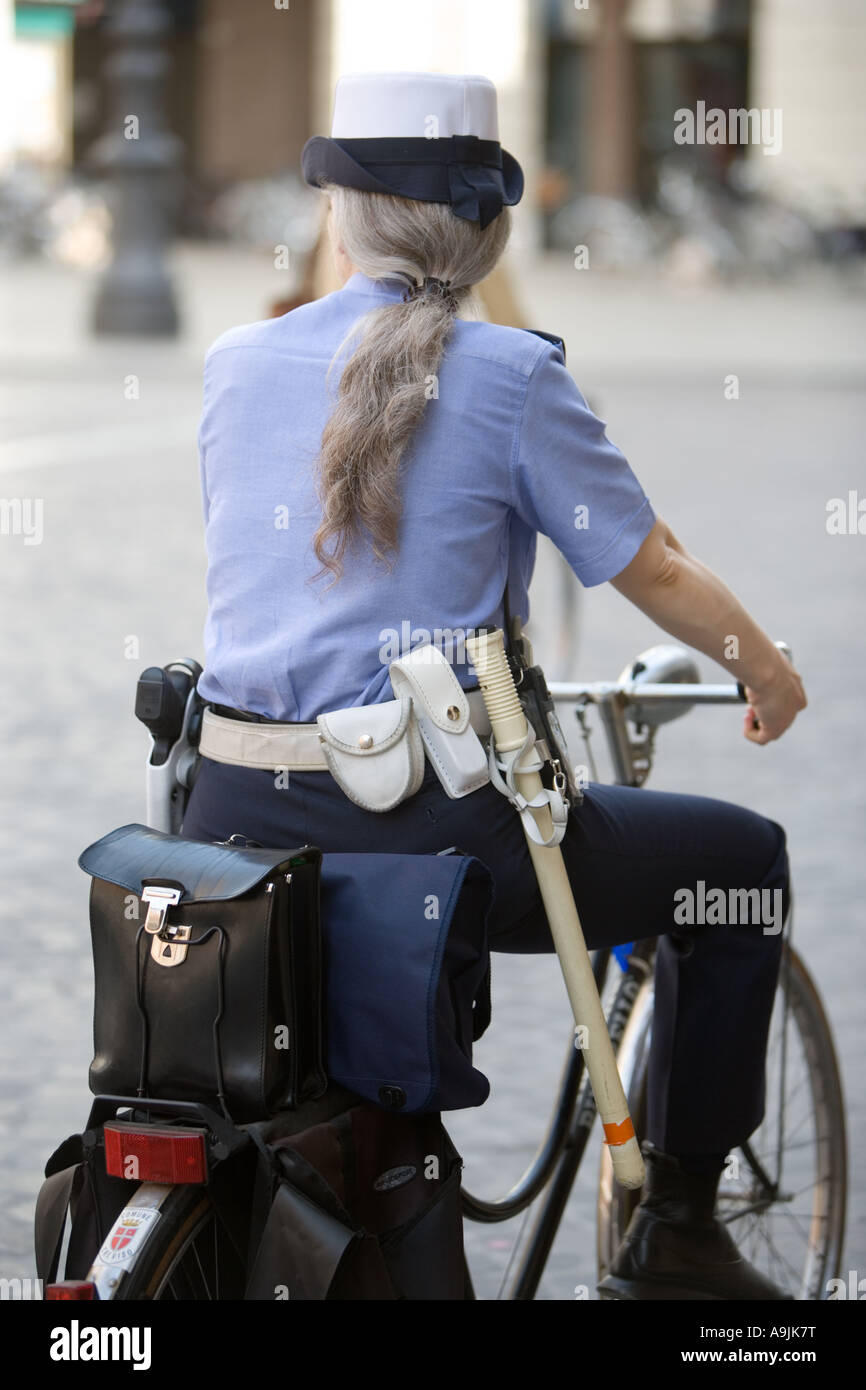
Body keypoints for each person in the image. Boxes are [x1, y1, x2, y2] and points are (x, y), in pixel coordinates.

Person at [179, 72, 807, 1301]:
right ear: (487, 226)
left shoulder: (232, 361)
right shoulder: (511, 373)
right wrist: (767, 673)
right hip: (431, 835)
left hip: (231, 830)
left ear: (338, 213)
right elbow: (654, 565)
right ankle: (678, 1221)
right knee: (738, 864)